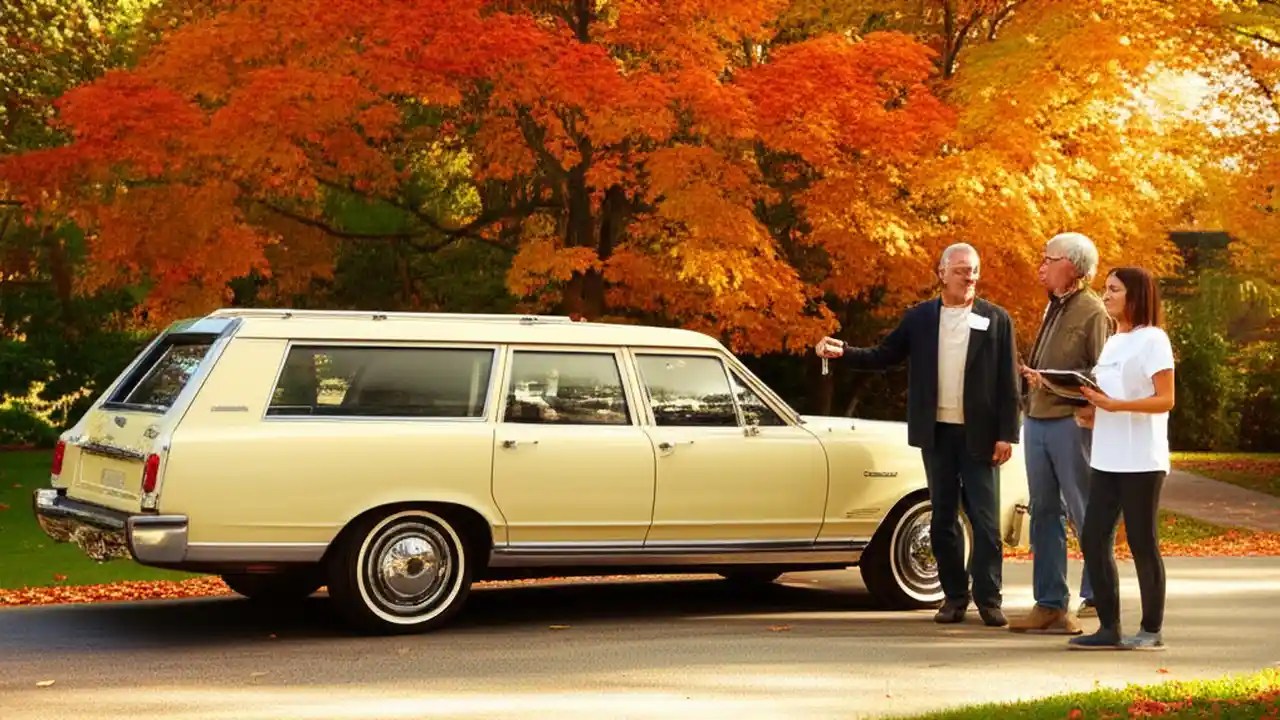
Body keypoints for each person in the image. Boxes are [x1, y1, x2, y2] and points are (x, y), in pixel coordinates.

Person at [815, 243, 1021, 627]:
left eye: (974, 270)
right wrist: (845, 352)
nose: (969, 276)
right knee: (942, 519)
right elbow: (884, 355)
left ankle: (989, 599)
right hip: (937, 434)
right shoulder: (921, 318)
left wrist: (1007, 433)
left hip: (980, 435)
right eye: (961, 270)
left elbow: (1009, 381)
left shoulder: (996, 319)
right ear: (942, 273)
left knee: (986, 522)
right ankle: (954, 597)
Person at [1008, 233, 1113, 635]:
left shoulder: (1093, 311)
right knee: (1044, 512)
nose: (1041, 265)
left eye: (1048, 259)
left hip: (1070, 421)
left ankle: (1099, 595)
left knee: (1084, 509)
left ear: (1072, 266)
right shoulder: (1053, 306)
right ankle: (1050, 604)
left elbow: (1102, 374)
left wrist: (1051, 381)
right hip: (1036, 419)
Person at [1068, 266, 1175, 651]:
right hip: (1106, 458)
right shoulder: (1113, 341)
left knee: (1143, 543)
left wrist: (1114, 405)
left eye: (1113, 289)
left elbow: (1165, 399)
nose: (1106, 294)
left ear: (1135, 295)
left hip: (1141, 461)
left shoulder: (1154, 340)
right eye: (1106, 288)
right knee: (1093, 537)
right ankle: (1109, 627)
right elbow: (1106, 401)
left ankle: (1151, 630)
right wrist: (1085, 406)